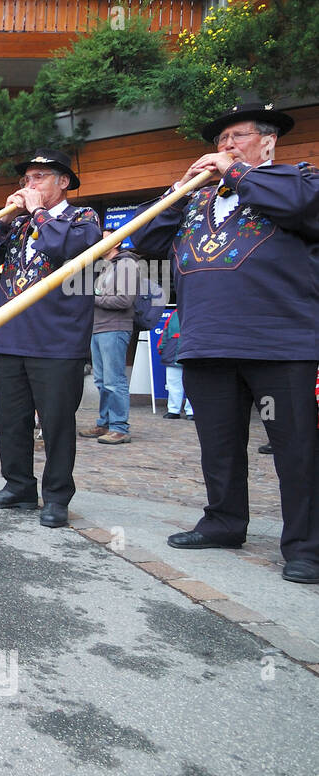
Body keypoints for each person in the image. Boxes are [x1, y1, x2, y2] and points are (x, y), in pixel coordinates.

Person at [130, 103, 319, 584]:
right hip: (206, 341)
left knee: (294, 448)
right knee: (218, 446)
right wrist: (177, 191)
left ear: (269, 141)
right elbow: (147, 239)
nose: (225, 147)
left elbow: (298, 209)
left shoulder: (298, 179)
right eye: (221, 141)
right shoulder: (199, 199)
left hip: (279, 343)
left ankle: (306, 546)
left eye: (237, 137)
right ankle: (224, 521)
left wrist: (235, 172)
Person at [0, 149, 103, 529]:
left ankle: (57, 496)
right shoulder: (19, 224)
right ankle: (19, 486)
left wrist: (38, 213)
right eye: (27, 178)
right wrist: (9, 216)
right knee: (10, 421)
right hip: (12, 337)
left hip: (58, 341)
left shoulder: (83, 219)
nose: (30, 185)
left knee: (57, 422)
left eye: (39, 178)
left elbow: (67, 248)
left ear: (63, 182)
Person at [80, 229, 138, 444]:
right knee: (102, 381)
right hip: (100, 328)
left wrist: (91, 298)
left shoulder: (127, 264)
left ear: (117, 241)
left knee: (114, 381)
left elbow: (124, 300)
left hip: (115, 328)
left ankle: (120, 428)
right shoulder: (107, 267)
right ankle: (105, 423)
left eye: (103, 239)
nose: (98, 243)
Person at [156, 309, 193, 420]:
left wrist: (163, 348)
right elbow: (166, 333)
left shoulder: (176, 313)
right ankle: (174, 410)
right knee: (173, 384)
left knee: (191, 385)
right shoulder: (174, 314)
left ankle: (190, 411)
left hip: (190, 353)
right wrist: (162, 347)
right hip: (176, 353)